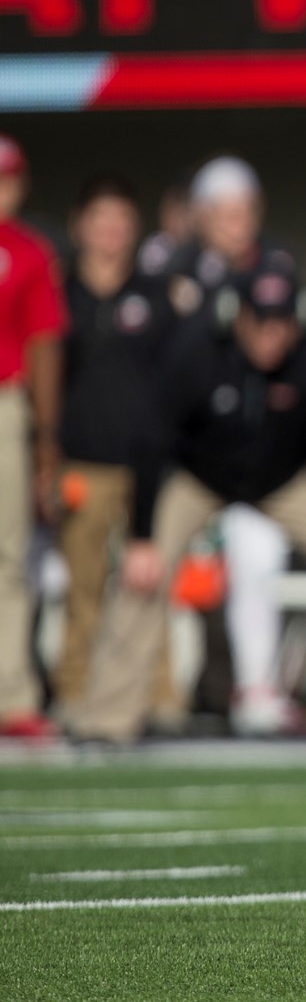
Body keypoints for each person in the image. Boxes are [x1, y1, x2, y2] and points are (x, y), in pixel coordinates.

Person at [70, 263, 306, 747]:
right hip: (198, 477)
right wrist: (142, 538)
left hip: (285, 479)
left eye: (281, 320)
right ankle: (106, 721)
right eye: (260, 319)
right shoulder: (197, 351)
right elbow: (151, 441)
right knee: (140, 574)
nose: (270, 333)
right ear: (237, 318)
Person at [162, 157, 302, 735]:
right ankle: (156, 694)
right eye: (221, 211)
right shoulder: (172, 271)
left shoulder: (277, 271)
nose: (234, 222)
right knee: (157, 566)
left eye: (243, 210)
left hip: (251, 455)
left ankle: (254, 689)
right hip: (186, 454)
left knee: (258, 560)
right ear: (200, 215)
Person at [52, 176, 176, 714]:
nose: (110, 232)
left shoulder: (157, 295)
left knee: (150, 587)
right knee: (84, 589)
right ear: (79, 225)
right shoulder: (59, 292)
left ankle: (159, 695)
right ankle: (76, 692)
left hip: (147, 466)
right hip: (82, 461)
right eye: (100, 220)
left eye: (121, 221)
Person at [0, 137, 64, 739]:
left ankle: (11, 694)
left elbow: (44, 343)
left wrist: (46, 434)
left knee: (9, 555)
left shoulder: (28, 251)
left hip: (4, 401)